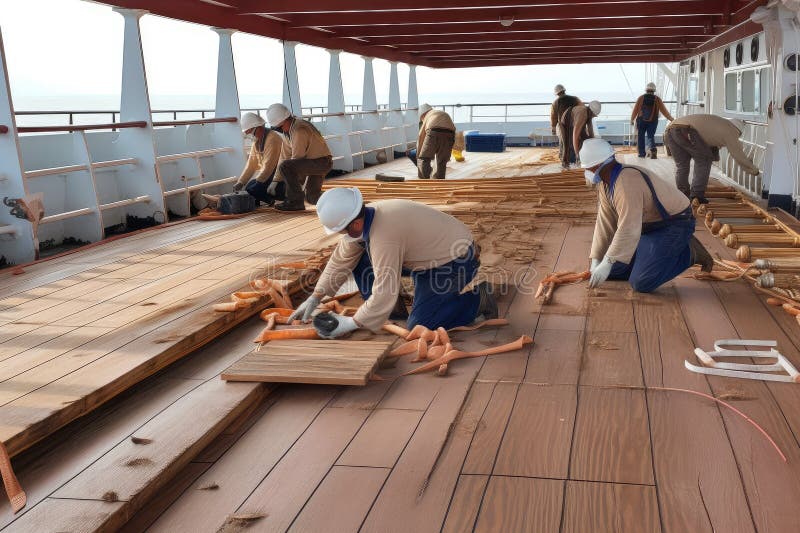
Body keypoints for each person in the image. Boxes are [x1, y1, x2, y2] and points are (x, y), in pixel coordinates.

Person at [290, 187, 498, 338]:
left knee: (421, 324)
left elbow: (385, 288)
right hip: (427, 254)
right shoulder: (365, 219)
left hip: (455, 260)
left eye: (341, 230)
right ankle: (389, 311)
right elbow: (341, 260)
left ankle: (479, 299)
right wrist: (316, 297)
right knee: (359, 257)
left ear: (354, 223)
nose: (341, 235)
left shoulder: (385, 234)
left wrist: (352, 323)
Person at [580, 138, 712, 293]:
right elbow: (605, 221)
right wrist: (597, 260)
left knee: (641, 281)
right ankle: (649, 253)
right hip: (648, 226)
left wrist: (607, 261)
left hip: (675, 223)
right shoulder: (606, 183)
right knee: (611, 271)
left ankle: (690, 252)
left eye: (587, 168)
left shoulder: (626, 182)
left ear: (596, 165)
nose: (586, 172)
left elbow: (628, 228)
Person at [663, 114, 759, 204]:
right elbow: (738, 155)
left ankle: (682, 194)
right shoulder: (731, 130)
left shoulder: (719, 123)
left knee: (682, 166)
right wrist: (754, 170)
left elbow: (710, 142)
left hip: (670, 130)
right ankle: (697, 195)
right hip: (687, 130)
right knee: (704, 160)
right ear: (738, 131)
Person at [266, 103, 333, 212]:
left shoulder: (298, 130)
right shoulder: (289, 132)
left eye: (280, 127)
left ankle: (295, 203)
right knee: (312, 197)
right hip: (317, 163)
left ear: (285, 120)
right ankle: (338, 198)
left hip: (321, 163)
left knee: (286, 166)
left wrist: (293, 190)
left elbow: (296, 160)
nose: (280, 130)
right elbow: (283, 157)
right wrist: (275, 180)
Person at [232, 112, 286, 205]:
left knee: (252, 188)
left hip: (280, 176)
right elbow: (251, 164)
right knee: (250, 187)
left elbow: (269, 166)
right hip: (269, 174)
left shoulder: (273, 138)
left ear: (258, 127)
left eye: (249, 132)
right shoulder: (257, 141)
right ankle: (266, 200)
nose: (249, 135)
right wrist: (241, 182)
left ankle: (273, 200)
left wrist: (258, 183)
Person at [630, 82, 674, 159]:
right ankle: (653, 150)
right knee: (650, 136)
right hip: (653, 121)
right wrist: (671, 119)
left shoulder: (641, 98)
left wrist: (632, 119)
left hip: (641, 120)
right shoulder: (657, 99)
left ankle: (641, 154)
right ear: (654, 90)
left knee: (641, 136)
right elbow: (664, 111)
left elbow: (635, 110)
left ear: (646, 90)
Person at [417, 103, 456, 179]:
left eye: (421, 118)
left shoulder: (427, 116)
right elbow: (453, 129)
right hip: (450, 134)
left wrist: (419, 155)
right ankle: (439, 182)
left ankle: (424, 181)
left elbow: (420, 138)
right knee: (441, 162)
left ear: (423, 115)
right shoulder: (440, 113)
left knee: (424, 158)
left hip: (433, 132)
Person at [559, 100, 601, 167]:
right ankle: (569, 162)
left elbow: (591, 132)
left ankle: (581, 157)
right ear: (591, 111)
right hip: (566, 124)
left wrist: (593, 147)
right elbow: (575, 136)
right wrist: (577, 154)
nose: (593, 117)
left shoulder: (588, 113)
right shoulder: (582, 114)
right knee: (570, 150)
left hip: (574, 122)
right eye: (593, 115)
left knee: (586, 139)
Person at [550, 84, 583, 169]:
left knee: (563, 143)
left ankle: (565, 161)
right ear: (564, 90)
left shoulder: (555, 103)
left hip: (562, 126)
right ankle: (576, 159)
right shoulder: (575, 99)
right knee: (576, 141)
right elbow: (582, 109)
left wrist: (553, 129)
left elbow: (553, 118)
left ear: (557, 94)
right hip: (575, 124)